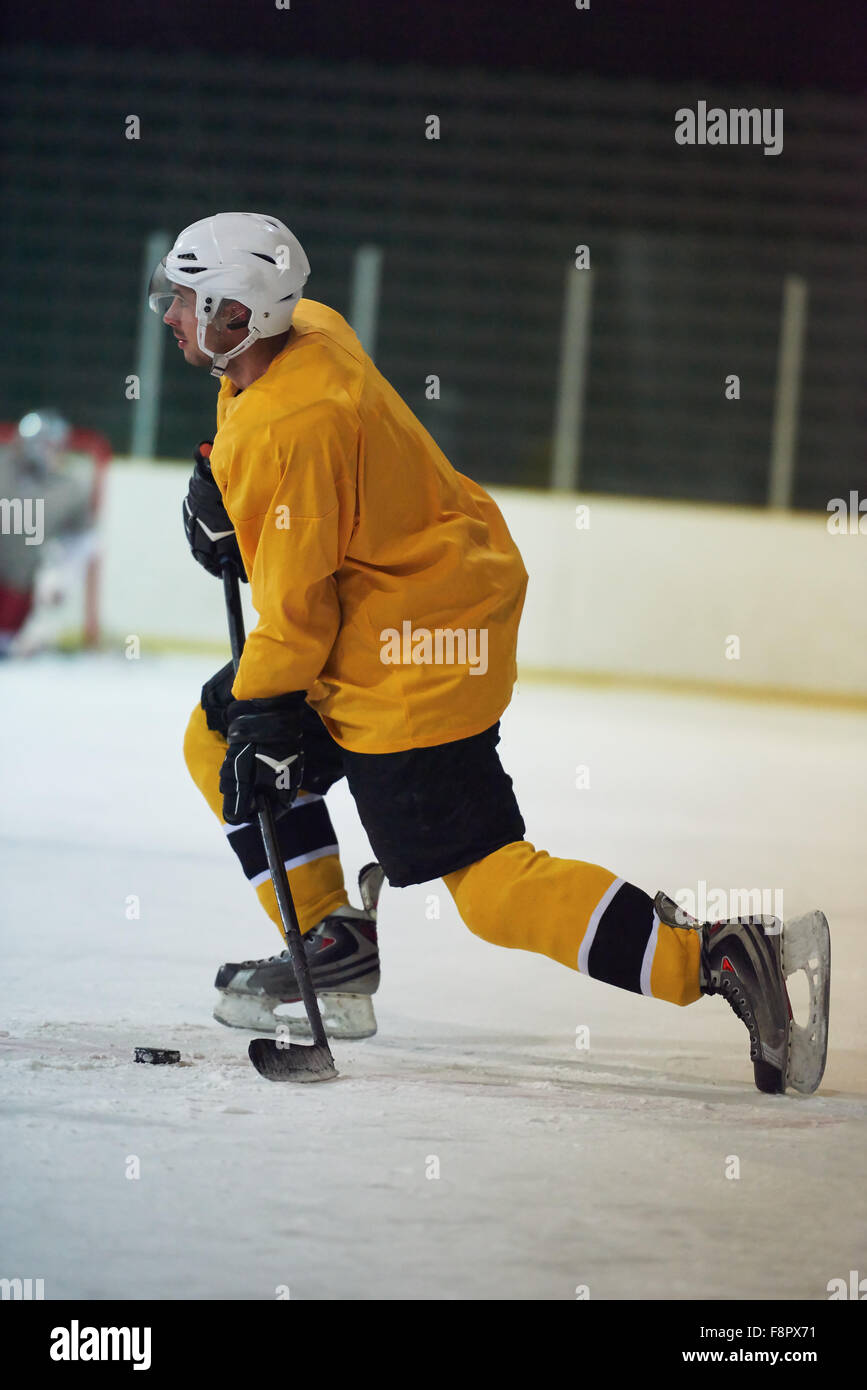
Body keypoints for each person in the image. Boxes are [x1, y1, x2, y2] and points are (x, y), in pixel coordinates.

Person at [149, 212, 829, 1093]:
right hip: (422, 607)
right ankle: (333, 946)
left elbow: (295, 610)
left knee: (485, 879)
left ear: (238, 316)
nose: (167, 313)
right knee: (215, 736)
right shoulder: (310, 328)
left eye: (186, 299)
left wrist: (271, 711)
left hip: (405, 657)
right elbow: (309, 501)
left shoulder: (291, 426)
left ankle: (722, 957)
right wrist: (236, 504)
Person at [0, 411, 96, 656]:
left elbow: (81, 542)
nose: (53, 452)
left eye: (57, 446)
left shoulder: (69, 488)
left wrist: (60, 578)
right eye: (46, 445)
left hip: (21, 588)